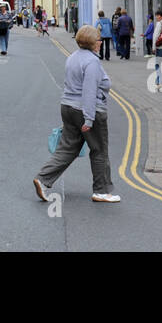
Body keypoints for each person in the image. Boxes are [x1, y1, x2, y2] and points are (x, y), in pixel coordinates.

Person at [33, 26, 119, 204]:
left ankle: (43, 179)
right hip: (87, 110)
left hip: (68, 107)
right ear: (91, 42)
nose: (101, 42)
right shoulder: (92, 62)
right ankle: (101, 191)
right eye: (98, 39)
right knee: (99, 150)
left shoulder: (73, 57)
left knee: (68, 148)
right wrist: (89, 118)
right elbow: (89, 91)